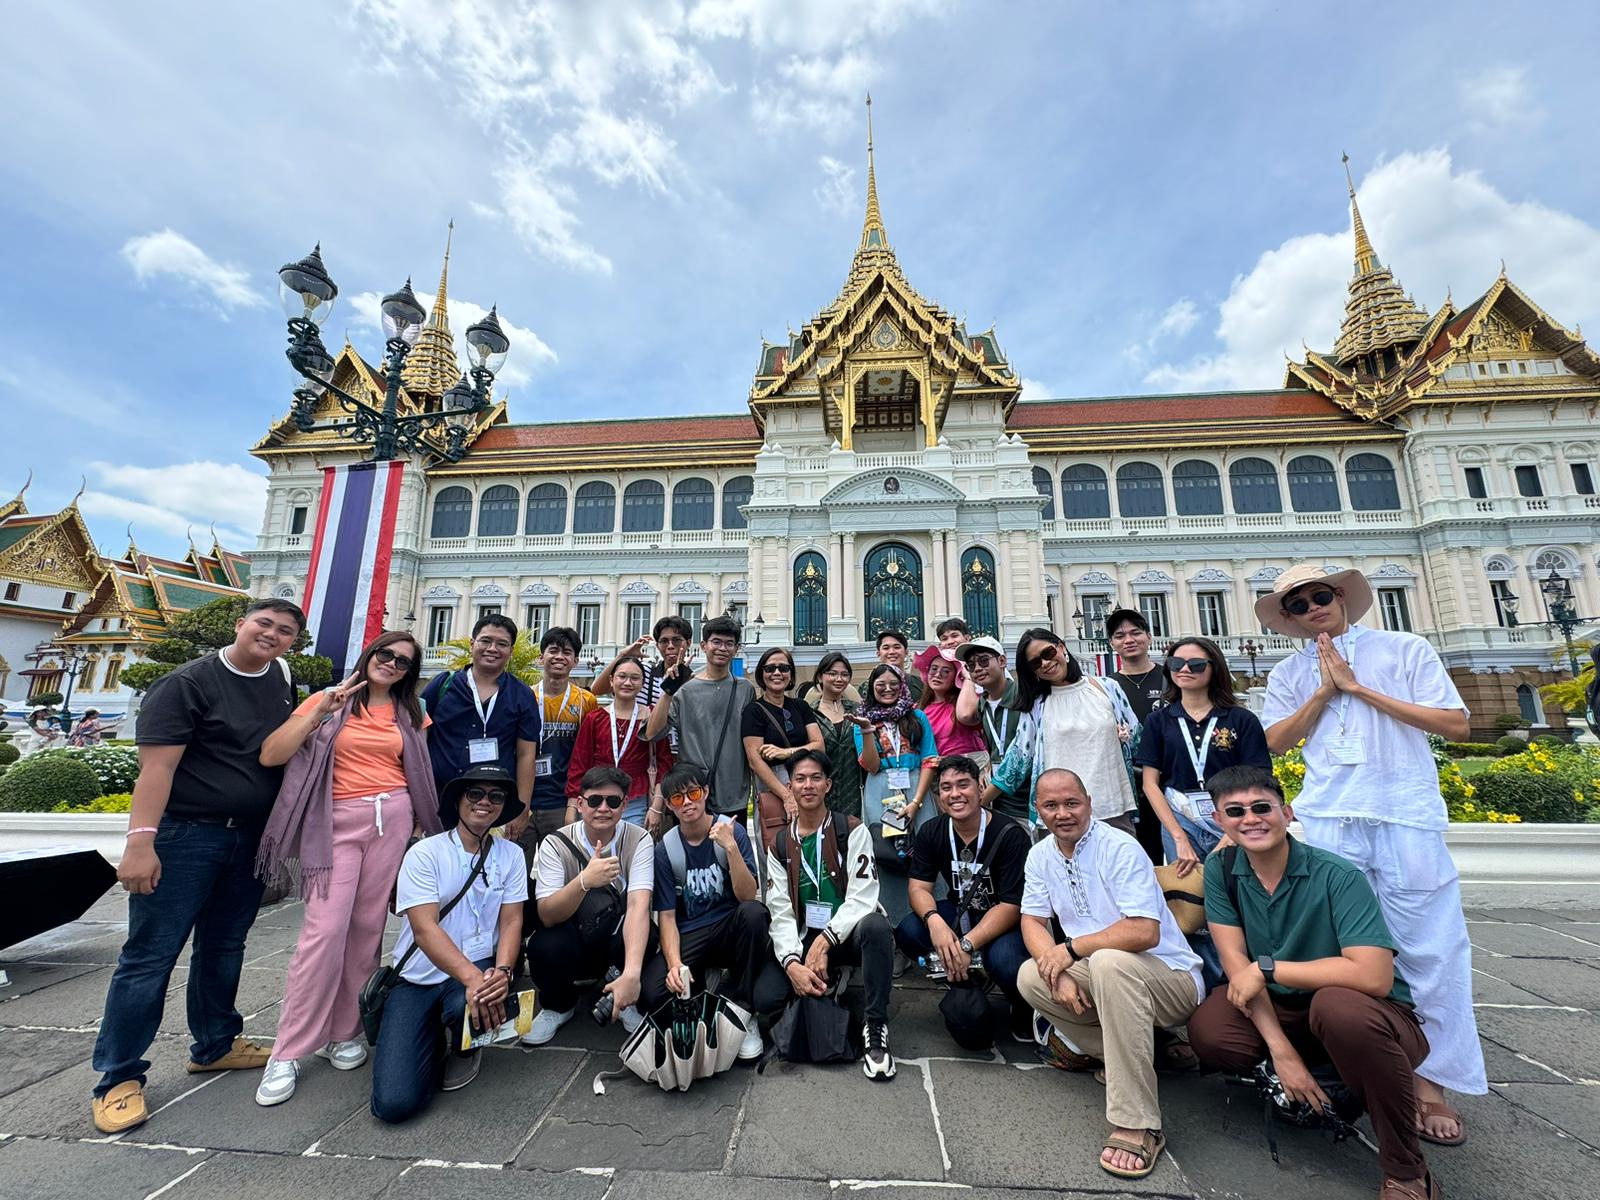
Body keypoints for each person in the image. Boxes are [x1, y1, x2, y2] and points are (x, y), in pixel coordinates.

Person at [1260, 564, 1484, 1146]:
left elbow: (1456, 725)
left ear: (1341, 598)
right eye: (1300, 603)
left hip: (1402, 811)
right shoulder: (1289, 671)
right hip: (1333, 815)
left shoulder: (1403, 649)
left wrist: (1359, 688)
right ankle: (1361, 1063)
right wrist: (1324, 692)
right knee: (1344, 949)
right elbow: (1273, 742)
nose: (1314, 608)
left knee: (1429, 946)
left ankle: (1431, 1079)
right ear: (1289, 617)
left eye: (1321, 596)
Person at [90, 599, 304, 1134]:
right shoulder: (188, 683)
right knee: (150, 956)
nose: (271, 635)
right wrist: (140, 843)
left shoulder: (280, 678)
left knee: (225, 944)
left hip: (248, 839)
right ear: (240, 625)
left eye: (283, 631)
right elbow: (155, 770)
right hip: (187, 834)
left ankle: (214, 1043)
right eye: (263, 624)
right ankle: (118, 1076)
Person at [1187, 766, 1437, 1200]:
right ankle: (1310, 1079)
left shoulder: (1336, 875)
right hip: (1285, 1013)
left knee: (1337, 1009)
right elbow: (1235, 965)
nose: (1251, 819)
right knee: (1210, 1029)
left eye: (1262, 807)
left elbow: (1373, 975)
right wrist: (1283, 1055)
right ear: (1218, 820)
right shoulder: (1222, 869)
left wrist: (1269, 968)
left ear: (1286, 813)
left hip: (1365, 1013)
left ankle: (1408, 1170)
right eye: (1236, 811)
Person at [253, 630, 444, 1107]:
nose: (393, 666)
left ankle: (345, 1029)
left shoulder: (412, 712)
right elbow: (272, 754)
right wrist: (321, 709)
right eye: (387, 655)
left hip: (393, 820)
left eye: (404, 662)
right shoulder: (330, 699)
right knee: (323, 933)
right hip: (334, 820)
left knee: (367, 930)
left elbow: (418, 770)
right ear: (369, 654)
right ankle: (290, 1048)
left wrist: (422, 829)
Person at [1016, 769, 1203, 1181]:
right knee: (1031, 975)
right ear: (1038, 810)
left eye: (1072, 803)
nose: (1063, 813)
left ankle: (1139, 1123)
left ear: (1089, 803)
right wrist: (1056, 970)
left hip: (1170, 976)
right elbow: (1032, 921)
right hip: (1103, 970)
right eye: (1051, 805)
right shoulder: (1041, 855)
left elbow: (1143, 930)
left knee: (1108, 961)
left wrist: (1068, 950)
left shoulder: (1119, 847)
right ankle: (1124, 1057)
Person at [369, 765, 527, 1122]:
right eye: (475, 793)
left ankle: (463, 1043)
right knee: (395, 1104)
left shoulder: (511, 855)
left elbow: (512, 919)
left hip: (476, 971)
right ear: (458, 800)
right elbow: (424, 930)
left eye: (496, 796)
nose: (485, 802)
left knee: (469, 1003)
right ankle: (431, 1037)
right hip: (418, 978)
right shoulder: (425, 854)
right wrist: (474, 978)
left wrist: (502, 972)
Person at [753, 749, 897, 1080]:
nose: (808, 785)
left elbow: (864, 896)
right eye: (799, 779)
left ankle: (875, 1026)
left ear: (828, 785)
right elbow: (780, 911)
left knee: (876, 926)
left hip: (844, 937)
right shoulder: (779, 844)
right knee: (766, 999)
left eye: (816, 778)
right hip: (803, 938)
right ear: (789, 787)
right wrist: (792, 964)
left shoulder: (851, 830)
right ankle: (816, 984)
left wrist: (826, 942)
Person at [895, 755, 1032, 1047]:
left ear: (980, 788)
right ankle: (965, 982)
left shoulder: (1010, 835)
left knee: (1007, 962)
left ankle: (1021, 1005)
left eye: (963, 785)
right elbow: (918, 888)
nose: (955, 794)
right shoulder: (933, 830)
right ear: (939, 795)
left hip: (1002, 922)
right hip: (959, 912)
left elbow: (1012, 906)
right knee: (909, 929)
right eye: (946, 788)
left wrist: (965, 945)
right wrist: (934, 923)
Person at [638, 764, 768, 1060]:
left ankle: (743, 1011)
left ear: (706, 792)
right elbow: (667, 917)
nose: (687, 803)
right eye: (677, 798)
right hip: (691, 933)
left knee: (754, 914)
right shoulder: (665, 850)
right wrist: (674, 966)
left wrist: (731, 848)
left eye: (693, 793)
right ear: (669, 806)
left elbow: (748, 896)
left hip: (729, 927)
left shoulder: (730, 830)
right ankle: (704, 995)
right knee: (651, 995)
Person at [524, 765, 656, 1044]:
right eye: (595, 801)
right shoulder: (555, 843)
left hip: (612, 935)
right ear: (581, 804)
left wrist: (633, 974)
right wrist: (585, 880)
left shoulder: (638, 839)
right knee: (543, 945)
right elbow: (546, 914)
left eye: (613, 801)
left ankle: (625, 993)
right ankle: (558, 1005)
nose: (603, 808)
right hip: (572, 935)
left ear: (625, 805)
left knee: (648, 933)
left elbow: (639, 905)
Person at [1134, 637, 1271, 874]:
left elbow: (1258, 780)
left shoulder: (1240, 719)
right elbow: (1150, 784)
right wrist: (1179, 838)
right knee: (1192, 900)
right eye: (1176, 664)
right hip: (1180, 819)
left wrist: (1232, 834)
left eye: (1196, 664)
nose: (1184, 670)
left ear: (1214, 667)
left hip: (1234, 817)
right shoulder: (1158, 721)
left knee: (1240, 888)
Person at [984, 628, 1138, 835]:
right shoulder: (1036, 706)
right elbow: (1016, 761)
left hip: (1111, 806)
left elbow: (1138, 737)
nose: (1045, 663)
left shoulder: (1107, 687)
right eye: (1036, 663)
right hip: (1059, 815)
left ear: (1061, 647)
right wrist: (979, 802)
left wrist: (1124, 738)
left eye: (1047, 653)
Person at [419, 613, 540, 833]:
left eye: (502, 644)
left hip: (492, 806)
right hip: (438, 801)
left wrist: (521, 809)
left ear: (511, 652)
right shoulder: (442, 685)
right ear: (472, 644)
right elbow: (417, 741)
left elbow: (526, 754)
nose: (492, 649)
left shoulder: (522, 695)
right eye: (486, 641)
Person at [645, 616, 754, 821]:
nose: (722, 648)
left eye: (729, 643)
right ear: (704, 646)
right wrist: (668, 691)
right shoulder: (684, 690)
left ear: (737, 649)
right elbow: (653, 732)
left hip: (733, 793)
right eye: (716, 642)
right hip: (692, 793)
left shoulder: (745, 689)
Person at [853, 663, 939, 924]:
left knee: (926, 848)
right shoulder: (862, 719)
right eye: (881, 685)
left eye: (893, 684)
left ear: (902, 686)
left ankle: (929, 918)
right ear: (872, 688)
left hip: (916, 786)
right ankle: (893, 924)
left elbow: (929, 759)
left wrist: (916, 801)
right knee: (885, 852)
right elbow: (871, 765)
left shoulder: (917, 717)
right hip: (880, 788)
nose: (887, 690)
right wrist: (868, 730)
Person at [566, 655, 672, 831]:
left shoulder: (651, 717)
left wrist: (656, 807)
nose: (627, 683)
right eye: (622, 676)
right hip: (597, 801)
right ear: (611, 680)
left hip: (636, 801)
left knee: (632, 852)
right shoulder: (595, 719)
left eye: (635, 678)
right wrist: (571, 807)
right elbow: (579, 764)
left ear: (642, 683)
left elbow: (663, 762)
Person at [743, 646, 825, 851]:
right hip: (772, 784)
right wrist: (786, 796)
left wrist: (785, 752)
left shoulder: (801, 706)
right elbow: (755, 760)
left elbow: (819, 745)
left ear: (791, 674)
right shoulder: (754, 710)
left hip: (804, 779)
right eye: (770, 668)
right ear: (762, 674)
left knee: (811, 846)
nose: (777, 673)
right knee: (775, 847)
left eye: (783, 668)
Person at [1104, 609, 1166, 864]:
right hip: (1131, 783)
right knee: (1137, 855)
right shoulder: (1106, 685)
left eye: (1135, 633)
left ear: (1149, 637)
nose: (1128, 640)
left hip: (1168, 777)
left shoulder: (1171, 678)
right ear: (1112, 644)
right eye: (1120, 636)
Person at [529, 626, 598, 842]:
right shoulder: (525, 696)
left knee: (563, 869)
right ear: (541, 657)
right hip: (526, 802)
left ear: (575, 661)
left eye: (567, 652)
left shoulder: (586, 701)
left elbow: (588, 754)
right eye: (553, 650)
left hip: (564, 802)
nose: (559, 657)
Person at [593, 616, 693, 755]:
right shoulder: (645, 673)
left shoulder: (694, 680)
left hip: (680, 755)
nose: (670, 646)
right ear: (657, 646)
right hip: (644, 751)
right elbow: (597, 690)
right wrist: (623, 655)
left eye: (676, 640)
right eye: (664, 641)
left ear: (688, 643)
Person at [953, 636, 1026, 817]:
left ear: (1002, 661)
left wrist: (983, 798)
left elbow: (1025, 750)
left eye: (984, 661)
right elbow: (964, 715)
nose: (978, 668)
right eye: (971, 665)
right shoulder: (983, 703)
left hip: (1027, 796)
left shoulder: (1024, 696)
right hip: (1001, 798)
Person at [808, 652, 864, 818]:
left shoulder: (858, 711)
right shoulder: (809, 713)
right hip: (819, 793)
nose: (839, 679)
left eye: (844, 674)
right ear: (820, 677)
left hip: (853, 794)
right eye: (832, 673)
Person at [915, 645, 988, 761]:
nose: (937, 674)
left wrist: (968, 678)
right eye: (933, 669)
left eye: (946, 671)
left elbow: (966, 715)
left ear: (957, 676)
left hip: (969, 768)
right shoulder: (918, 709)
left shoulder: (968, 700)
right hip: (937, 771)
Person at [875, 630, 923, 702]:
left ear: (906, 652)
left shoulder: (920, 684)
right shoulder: (867, 686)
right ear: (878, 654)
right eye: (886, 648)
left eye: (897, 647)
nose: (892, 652)